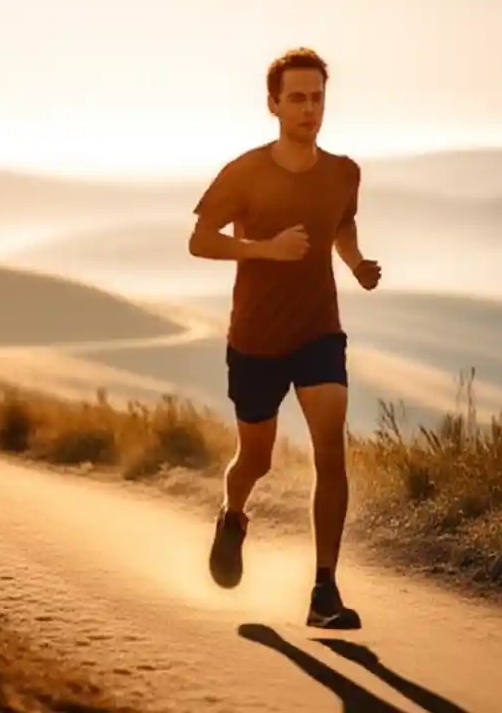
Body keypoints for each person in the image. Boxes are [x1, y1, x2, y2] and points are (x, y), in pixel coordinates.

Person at [186, 47, 380, 630]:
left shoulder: (344, 171)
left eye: (316, 98)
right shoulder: (245, 171)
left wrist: (355, 262)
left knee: (330, 448)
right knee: (256, 458)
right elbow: (200, 239)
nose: (308, 109)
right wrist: (264, 250)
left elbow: (341, 223)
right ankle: (233, 515)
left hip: (319, 328)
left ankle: (324, 590)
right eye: (296, 98)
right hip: (256, 337)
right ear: (273, 104)